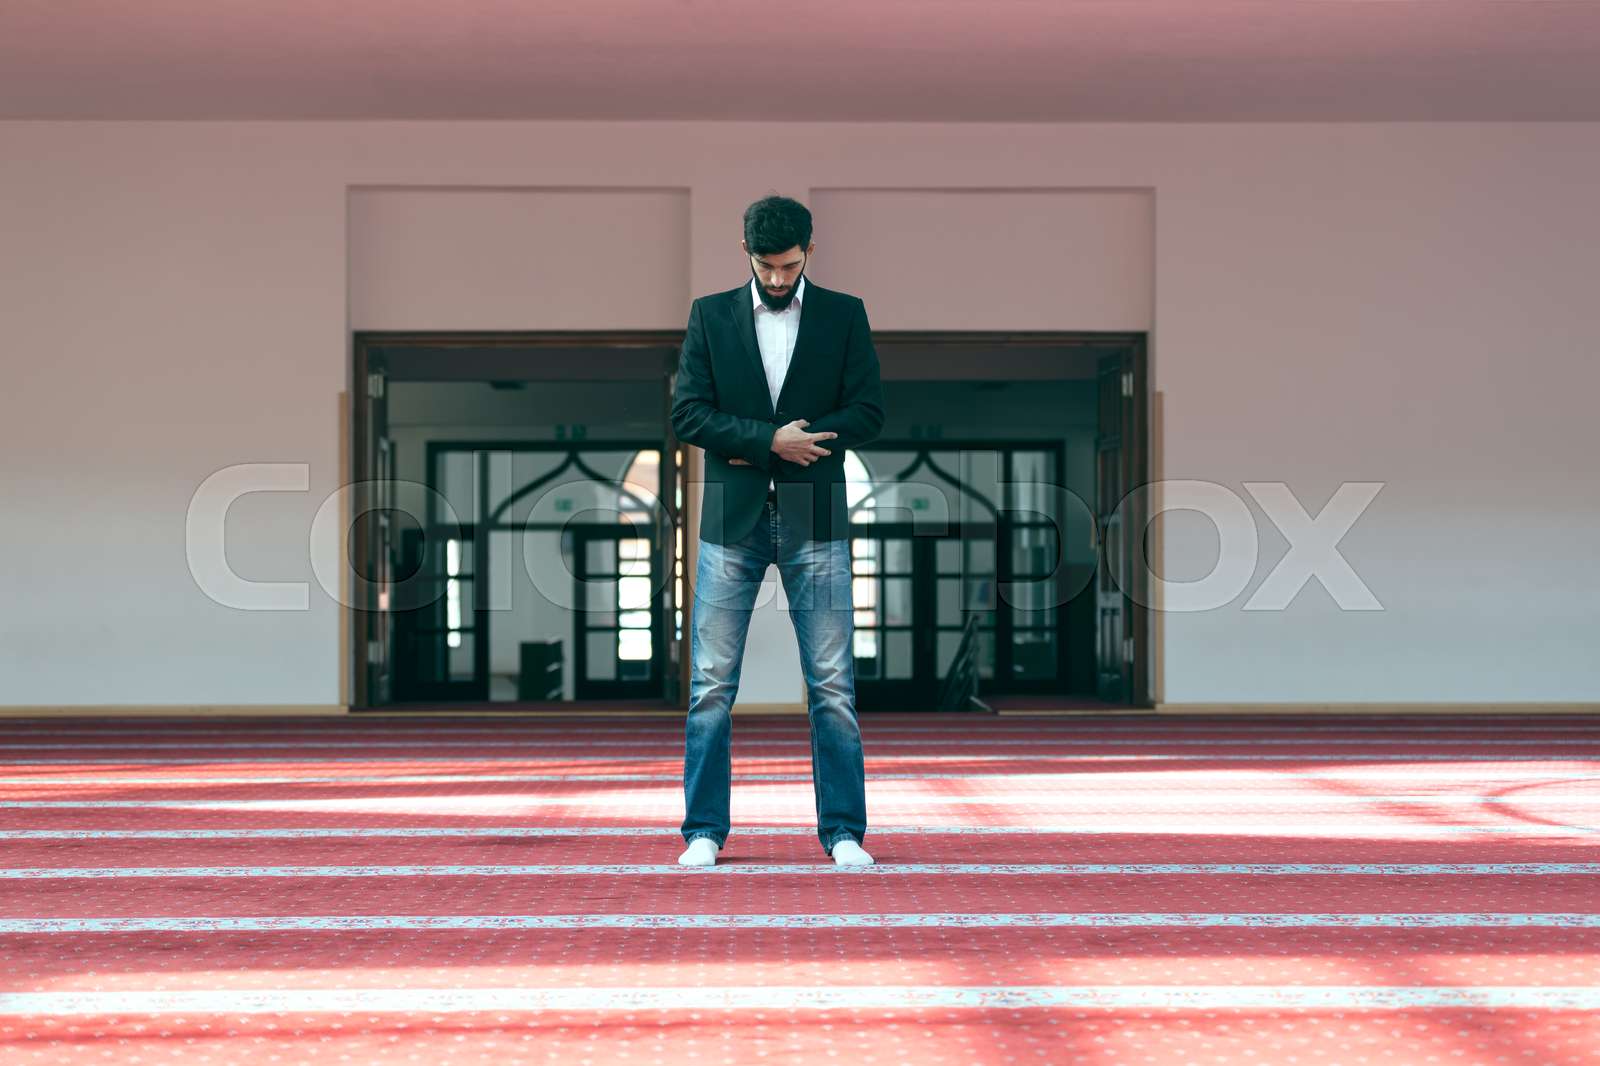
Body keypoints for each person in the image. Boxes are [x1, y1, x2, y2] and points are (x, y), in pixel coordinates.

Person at [668, 194, 885, 867]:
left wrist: (796, 442)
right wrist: (770, 442)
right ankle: (703, 832)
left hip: (815, 518)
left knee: (831, 683)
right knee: (710, 683)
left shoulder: (845, 315)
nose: (779, 278)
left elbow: (870, 411)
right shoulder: (709, 316)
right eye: (768, 266)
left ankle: (843, 832)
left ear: (809, 253)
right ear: (747, 255)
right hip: (731, 521)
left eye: (790, 266)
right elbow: (688, 415)